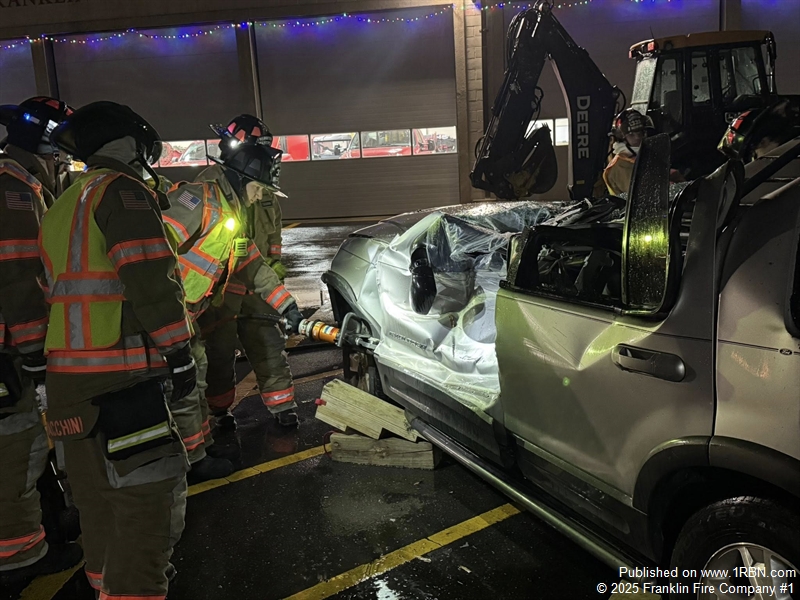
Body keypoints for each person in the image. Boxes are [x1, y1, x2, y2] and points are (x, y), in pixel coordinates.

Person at [41, 101, 195, 599]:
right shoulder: (122, 192)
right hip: (122, 385)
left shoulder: (65, 200)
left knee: (99, 505)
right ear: (131, 144)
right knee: (148, 506)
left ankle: (107, 590)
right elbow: (151, 279)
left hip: (67, 389)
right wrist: (180, 352)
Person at [162, 139, 304, 481]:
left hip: (188, 313)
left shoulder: (232, 212)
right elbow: (154, 245)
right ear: (242, 180)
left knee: (197, 376)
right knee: (188, 382)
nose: (258, 197)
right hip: (169, 311)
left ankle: (201, 451)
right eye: (258, 188)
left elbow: (253, 265)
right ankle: (194, 460)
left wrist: (288, 306)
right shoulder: (198, 199)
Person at [0, 97, 83, 581]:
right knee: (18, 447)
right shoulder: (13, 189)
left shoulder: (18, 181)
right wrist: (34, 351)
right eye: (61, 156)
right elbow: (18, 276)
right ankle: (19, 558)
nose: (63, 166)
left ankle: (45, 527)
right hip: (7, 349)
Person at [201, 115, 299, 429]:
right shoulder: (209, 190)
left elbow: (271, 241)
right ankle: (218, 412)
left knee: (269, 344)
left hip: (258, 287)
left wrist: (277, 273)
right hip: (221, 292)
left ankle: (283, 407)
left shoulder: (263, 189)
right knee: (219, 353)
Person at [603, 108, 654, 197]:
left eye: (640, 133)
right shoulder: (619, 166)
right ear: (622, 138)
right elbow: (643, 195)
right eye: (631, 134)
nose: (638, 137)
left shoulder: (646, 155)